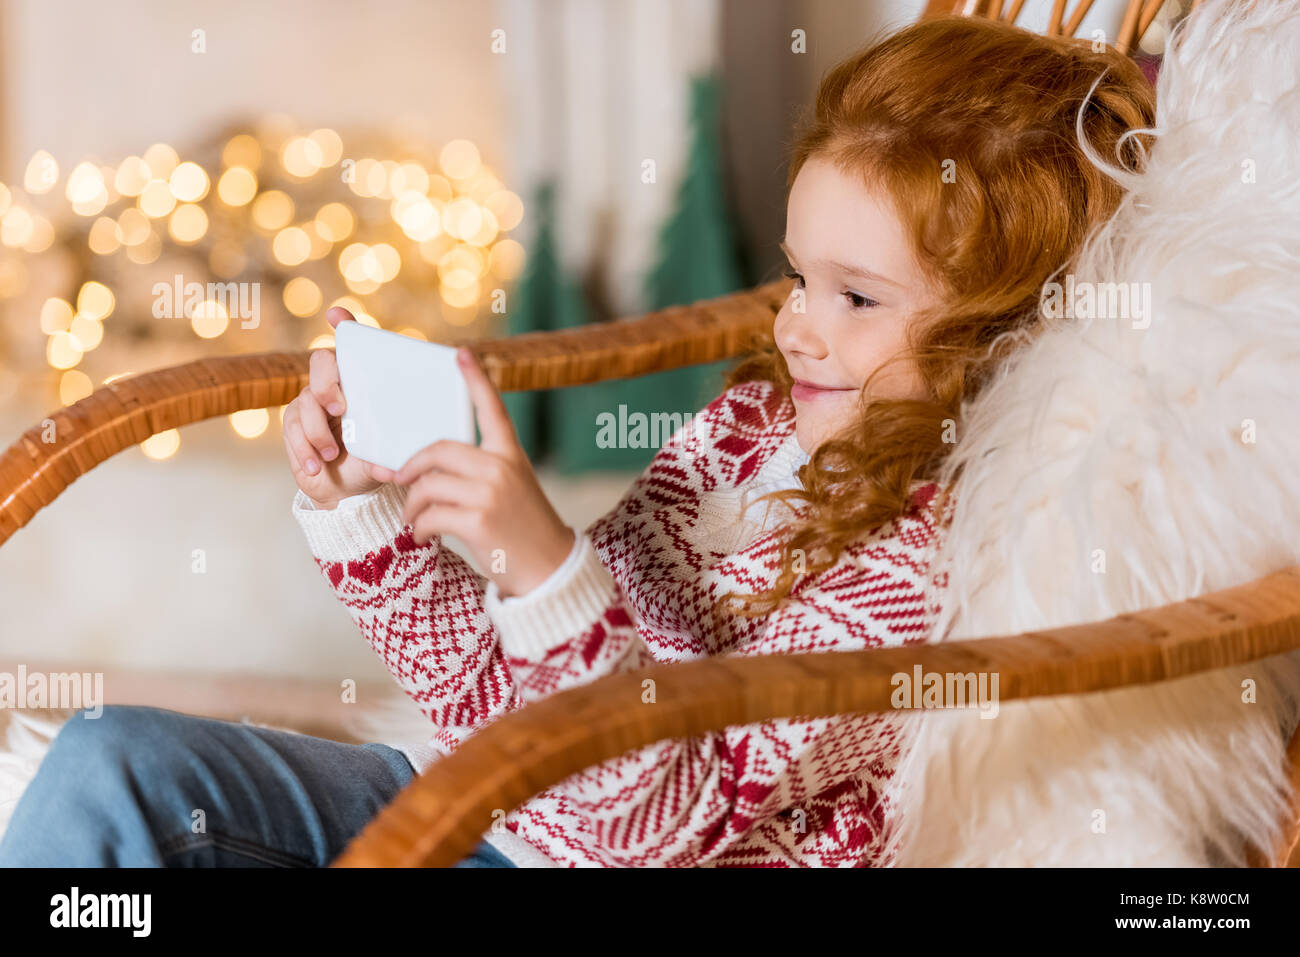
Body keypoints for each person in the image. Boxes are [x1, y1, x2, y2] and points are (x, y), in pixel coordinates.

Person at [0, 14, 1156, 867]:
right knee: (113, 763)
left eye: (857, 298)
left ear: (1004, 333)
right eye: (800, 275)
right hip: (485, 810)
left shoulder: (931, 572)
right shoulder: (746, 431)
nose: (796, 324)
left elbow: (648, 829)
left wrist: (544, 571)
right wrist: (374, 519)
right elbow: (494, 710)